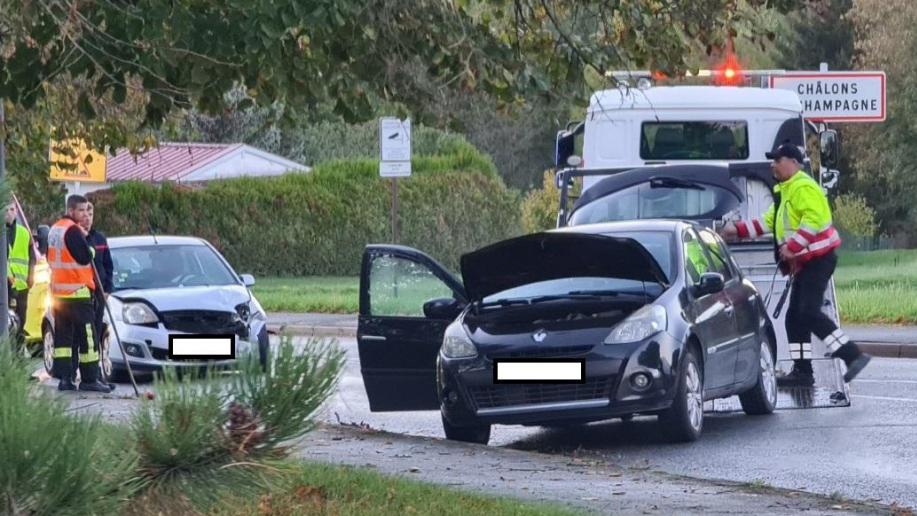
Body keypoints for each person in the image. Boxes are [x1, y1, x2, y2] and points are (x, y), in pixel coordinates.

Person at [719, 143, 870, 386]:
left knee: (808, 314)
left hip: (817, 261)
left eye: (777, 160)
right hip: (806, 263)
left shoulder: (803, 187)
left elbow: (814, 220)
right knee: (794, 318)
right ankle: (803, 371)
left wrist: (793, 247)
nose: (772, 165)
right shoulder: (787, 191)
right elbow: (769, 222)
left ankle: (852, 355)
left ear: (793, 162)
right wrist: (737, 230)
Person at [47, 195, 112, 392]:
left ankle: (65, 379)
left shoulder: (55, 229)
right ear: (72, 210)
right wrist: (91, 248)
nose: (85, 214)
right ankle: (90, 379)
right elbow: (84, 257)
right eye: (81, 210)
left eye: (87, 210)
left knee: (63, 339)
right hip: (77, 292)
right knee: (88, 336)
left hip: (59, 293)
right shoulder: (72, 230)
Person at [81, 202, 113, 347]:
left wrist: (108, 289)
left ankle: (95, 361)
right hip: (83, 293)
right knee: (84, 332)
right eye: (84, 215)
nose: (88, 218)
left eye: (91, 215)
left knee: (97, 329)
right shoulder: (76, 238)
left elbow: (108, 265)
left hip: (99, 292)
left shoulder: (100, 238)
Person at [5, 201, 36, 346]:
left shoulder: (24, 232)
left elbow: (32, 256)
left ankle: (19, 356)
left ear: (16, 211)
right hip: (4, 286)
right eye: (5, 209)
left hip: (22, 286)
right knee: (6, 323)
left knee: (20, 321)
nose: (8, 212)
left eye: (11, 209)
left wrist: (31, 275)